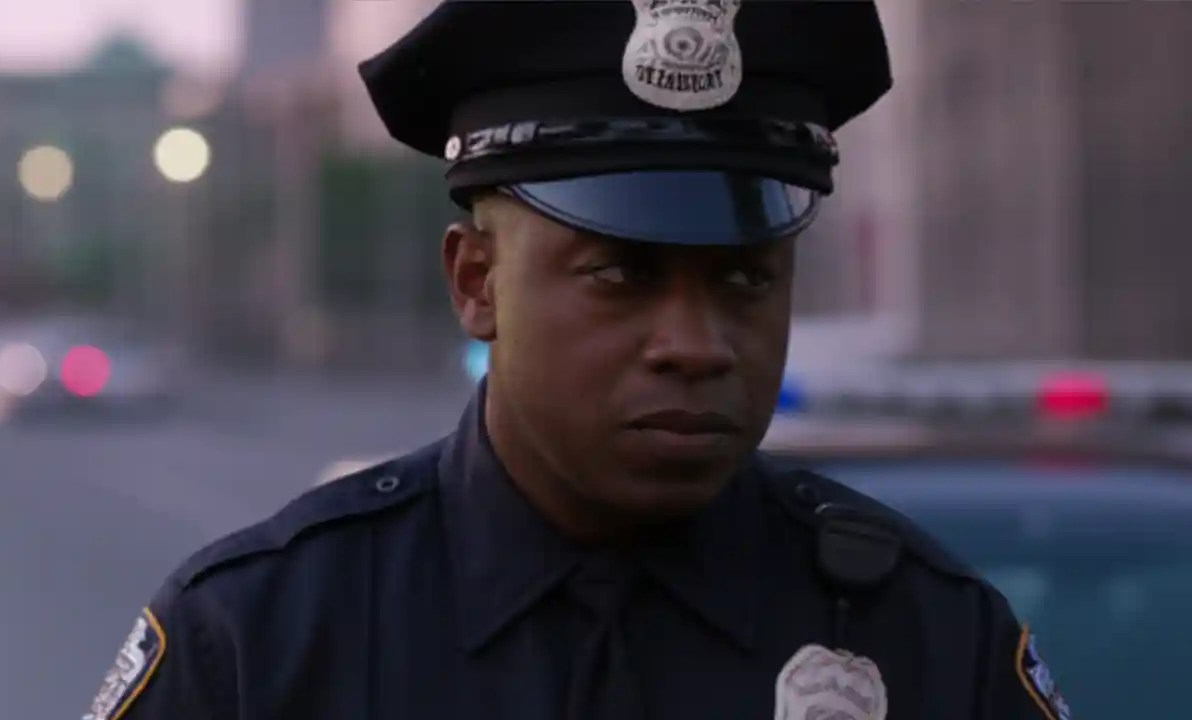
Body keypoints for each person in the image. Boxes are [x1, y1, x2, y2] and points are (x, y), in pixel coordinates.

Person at [83, 1, 1072, 719]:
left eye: (742, 281)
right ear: (476, 282)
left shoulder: (928, 643)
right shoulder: (265, 645)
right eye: (619, 275)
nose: (692, 344)